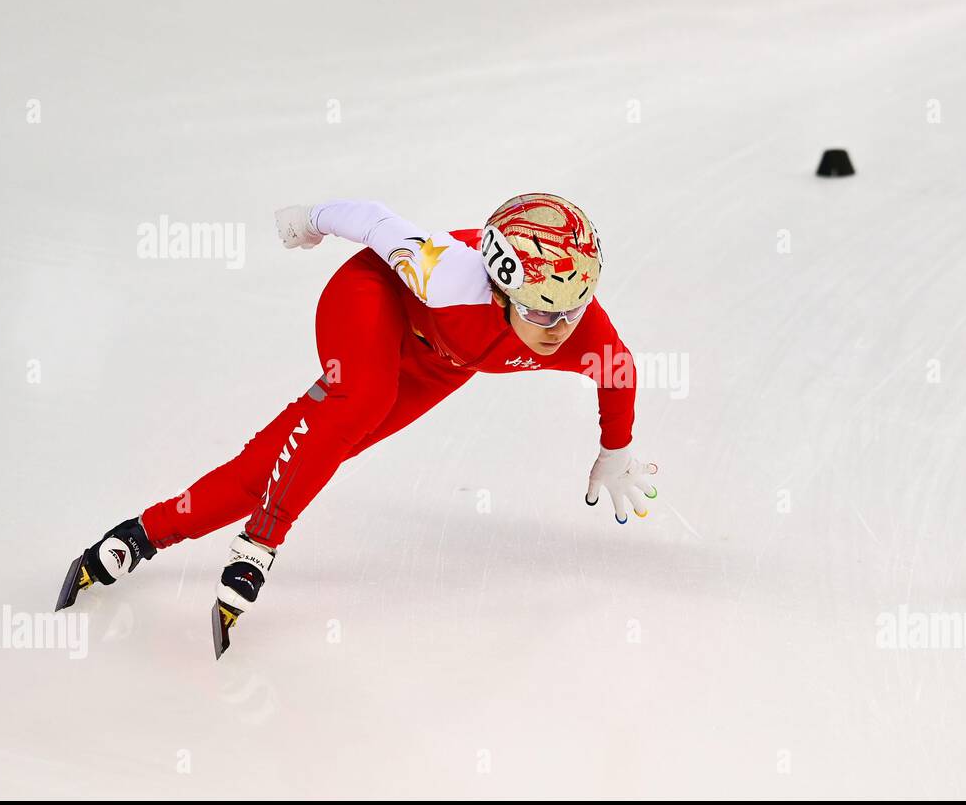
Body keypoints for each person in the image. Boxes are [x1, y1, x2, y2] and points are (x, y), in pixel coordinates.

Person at [56, 194, 658, 657]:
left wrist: (615, 449)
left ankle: (138, 535)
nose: (558, 326)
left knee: (290, 460)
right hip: (372, 300)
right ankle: (260, 545)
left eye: (574, 306)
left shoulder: (576, 325)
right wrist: (311, 218)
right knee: (360, 401)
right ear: (499, 286)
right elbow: (373, 220)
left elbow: (620, 371)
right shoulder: (445, 274)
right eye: (537, 309)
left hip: (437, 363)